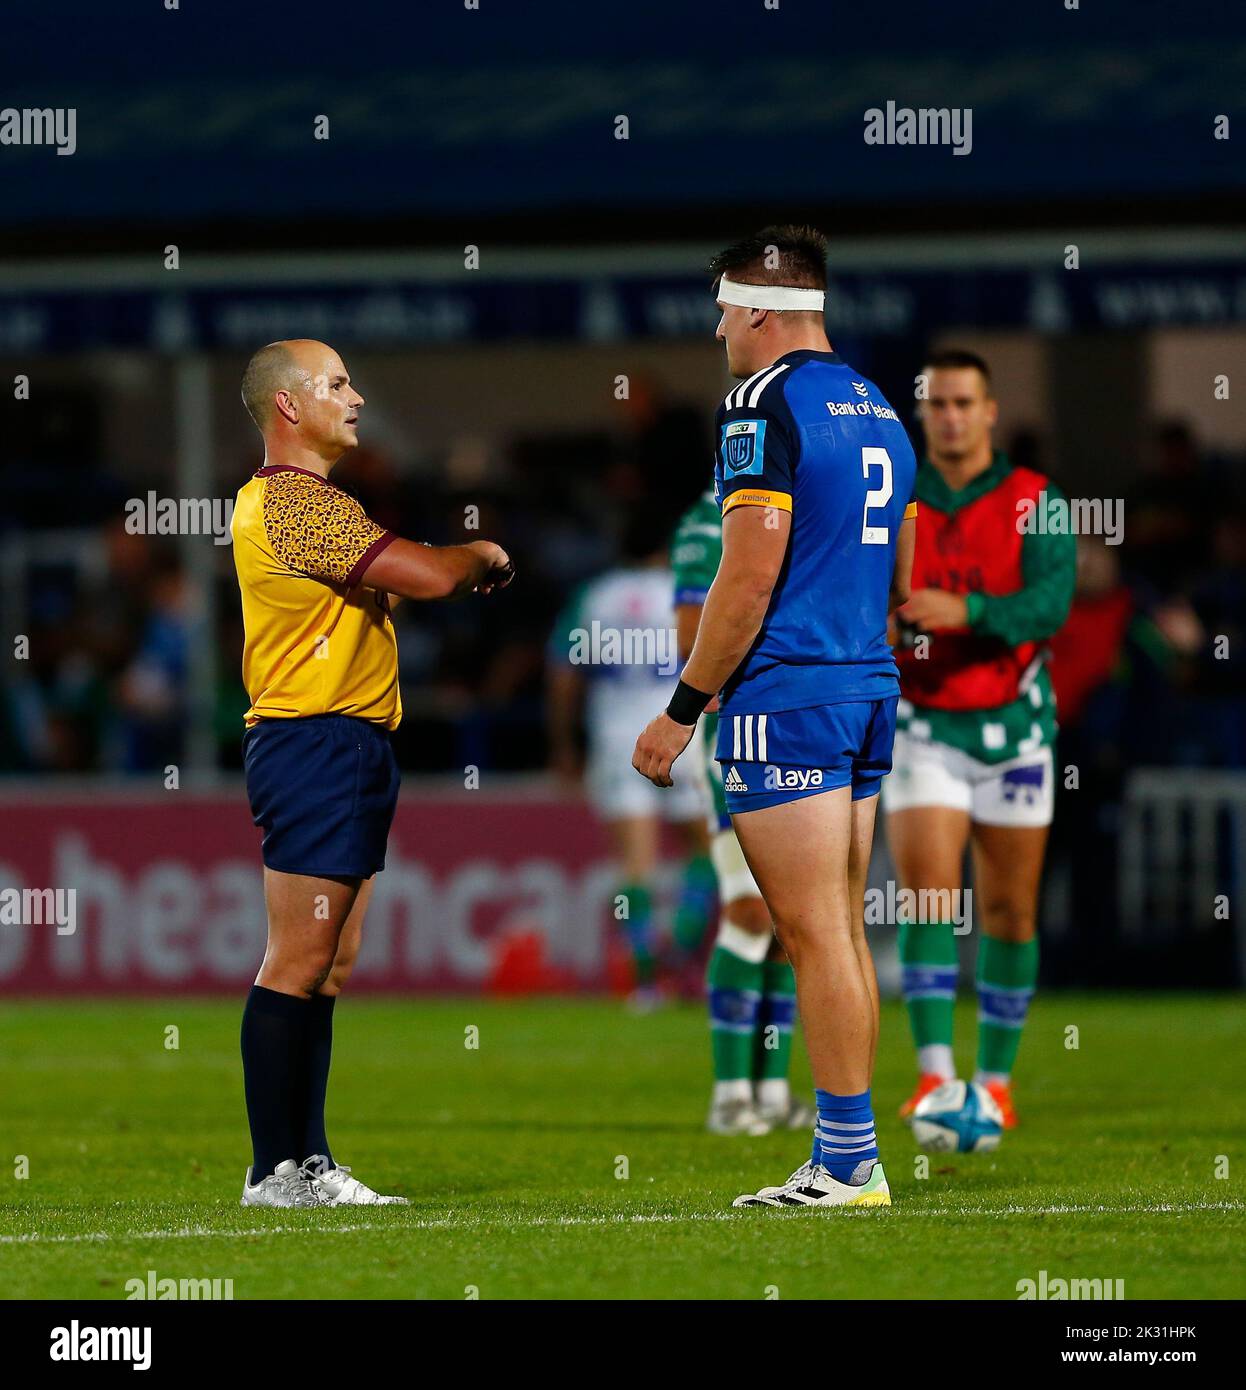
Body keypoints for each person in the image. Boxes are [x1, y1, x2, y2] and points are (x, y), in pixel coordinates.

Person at [633, 227, 916, 1209]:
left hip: (787, 695)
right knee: (833, 930)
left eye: (721, 307)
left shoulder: (760, 402)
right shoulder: (878, 405)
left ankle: (846, 1165)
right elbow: (904, 578)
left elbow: (745, 578)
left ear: (756, 306)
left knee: (816, 934)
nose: (717, 328)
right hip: (866, 685)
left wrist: (679, 710)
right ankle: (848, 1154)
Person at [232, 339, 512, 1207]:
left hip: (341, 745)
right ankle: (273, 1169)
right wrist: (482, 555)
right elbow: (427, 577)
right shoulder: (295, 505)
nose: (355, 397)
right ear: (288, 405)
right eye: (338, 384)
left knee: (330, 961)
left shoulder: (307, 507)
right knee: (297, 959)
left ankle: (305, 1161)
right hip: (315, 740)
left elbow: (387, 584)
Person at [885, 349, 1075, 1129]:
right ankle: (936, 1079)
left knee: (1010, 912)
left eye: (965, 402)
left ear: (992, 411)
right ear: (922, 413)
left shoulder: (1039, 500)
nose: (952, 417)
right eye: (938, 405)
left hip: (1016, 730)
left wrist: (968, 613)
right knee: (929, 897)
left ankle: (994, 1082)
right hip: (923, 724)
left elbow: (1051, 604)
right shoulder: (895, 499)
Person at [669, 488, 814, 1135]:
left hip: (801, 725)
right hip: (732, 731)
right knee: (749, 910)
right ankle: (730, 1095)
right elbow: (688, 636)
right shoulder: (706, 519)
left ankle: (773, 1092)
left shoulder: (805, 510)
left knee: (790, 920)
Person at [548, 509, 715, 1008]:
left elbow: (563, 675)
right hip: (681, 733)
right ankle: (679, 957)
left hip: (615, 738)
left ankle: (646, 982)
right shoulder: (686, 590)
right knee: (706, 856)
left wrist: (563, 744)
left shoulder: (594, 595)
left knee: (633, 868)